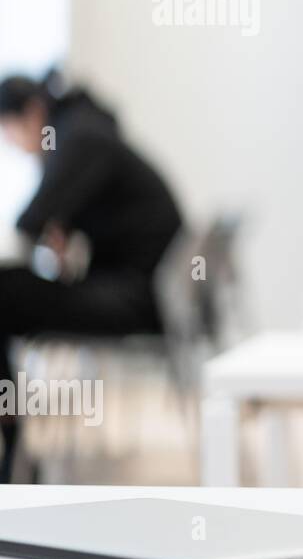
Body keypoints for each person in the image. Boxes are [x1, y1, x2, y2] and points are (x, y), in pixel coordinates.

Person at [0, 70, 184, 482]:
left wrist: (56, 224)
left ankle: (12, 455)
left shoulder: (78, 138)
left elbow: (29, 221)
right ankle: (14, 446)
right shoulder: (86, 128)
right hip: (141, 288)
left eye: (9, 135)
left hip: (136, 297)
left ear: (30, 115)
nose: (14, 148)